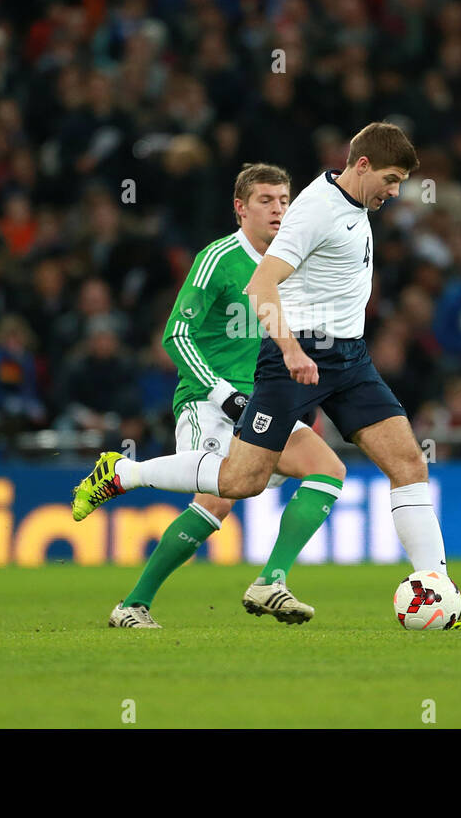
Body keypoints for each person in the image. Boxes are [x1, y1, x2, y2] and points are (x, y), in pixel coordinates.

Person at [74, 124, 461, 630]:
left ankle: (440, 592)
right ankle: (124, 475)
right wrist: (290, 350)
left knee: (407, 463)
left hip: (349, 360)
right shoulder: (314, 211)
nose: (396, 192)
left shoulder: (352, 203)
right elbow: (261, 286)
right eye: (391, 180)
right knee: (237, 483)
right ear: (363, 166)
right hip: (291, 361)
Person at [88, 163, 346, 628]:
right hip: (208, 399)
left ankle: (271, 581)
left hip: (266, 400)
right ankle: (132, 604)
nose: (278, 209)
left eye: (284, 201)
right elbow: (175, 335)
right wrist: (221, 392)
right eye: (266, 201)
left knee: (327, 469)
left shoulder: (294, 263)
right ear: (240, 208)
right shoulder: (218, 258)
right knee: (217, 501)